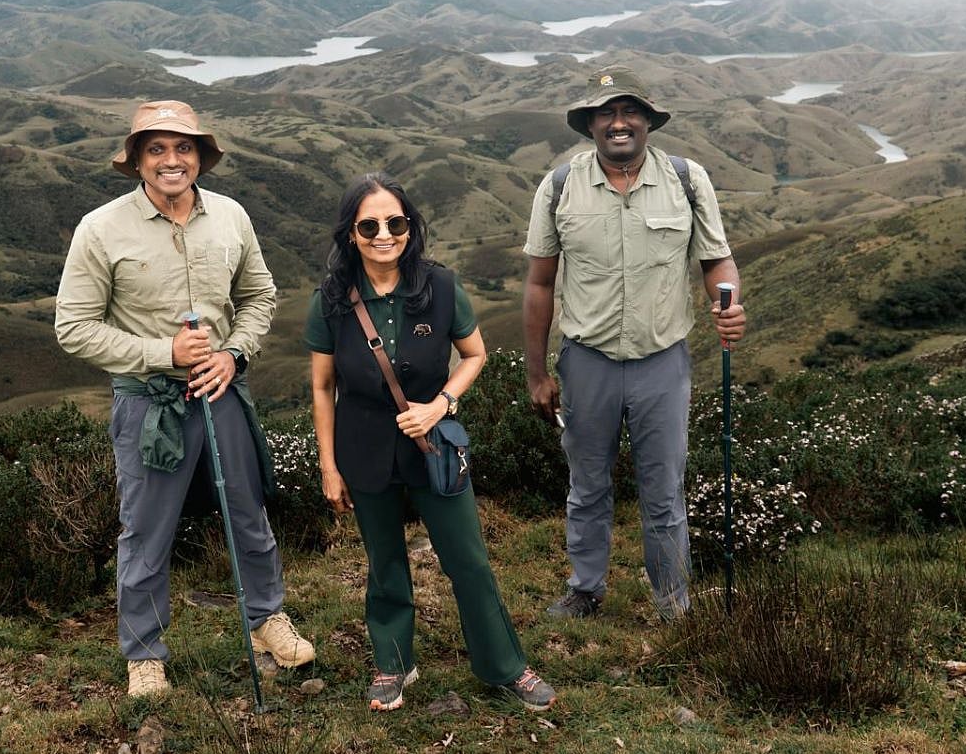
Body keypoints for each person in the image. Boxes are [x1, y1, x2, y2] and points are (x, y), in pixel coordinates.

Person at [55, 100, 314, 697]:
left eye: (184, 148)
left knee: (247, 511)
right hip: (149, 404)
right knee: (147, 528)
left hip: (222, 391)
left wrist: (234, 355)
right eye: (157, 149)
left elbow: (260, 295)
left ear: (200, 156)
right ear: (138, 159)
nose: (172, 160)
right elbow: (74, 326)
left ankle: (267, 618)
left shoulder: (231, 217)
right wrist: (163, 354)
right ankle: (144, 653)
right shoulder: (100, 229)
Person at [306, 172, 556, 712]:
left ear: (410, 227)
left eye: (395, 223)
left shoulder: (441, 287)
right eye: (368, 225)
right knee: (385, 561)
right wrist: (328, 465)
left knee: (468, 560)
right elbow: (323, 387)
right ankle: (393, 664)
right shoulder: (330, 299)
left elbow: (475, 355)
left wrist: (439, 405)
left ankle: (505, 667)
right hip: (362, 447)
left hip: (434, 447)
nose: (383, 235)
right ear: (351, 233)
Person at [523, 66, 747, 621]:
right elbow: (539, 283)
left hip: (663, 362)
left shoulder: (687, 179)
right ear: (590, 125)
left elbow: (717, 260)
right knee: (587, 484)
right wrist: (536, 372)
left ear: (647, 122)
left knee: (664, 490)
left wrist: (729, 304)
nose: (618, 123)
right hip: (586, 361)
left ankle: (673, 602)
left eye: (629, 113)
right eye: (606, 114)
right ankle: (585, 589)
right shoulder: (558, 187)